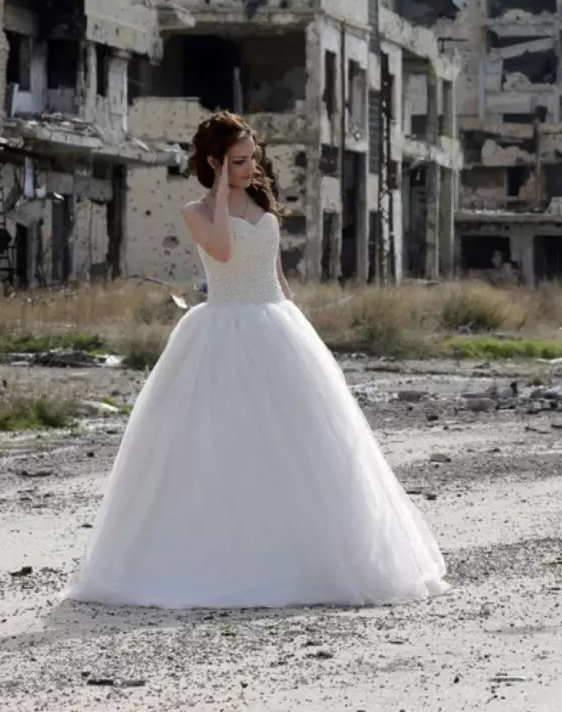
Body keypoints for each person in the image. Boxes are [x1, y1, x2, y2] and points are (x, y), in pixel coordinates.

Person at [64, 111, 448, 609]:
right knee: (219, 446)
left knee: (300, 445)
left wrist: (296, 320)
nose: (250, 169)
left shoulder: (262, 200)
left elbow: (274, 268)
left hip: (275, 325)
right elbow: (222, 252)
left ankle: (309, 555)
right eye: (239, 161)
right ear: (216, 162)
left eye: (252, 160)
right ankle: (219, 558)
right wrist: (222, 193)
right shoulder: (195, 211)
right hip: (220, 329)